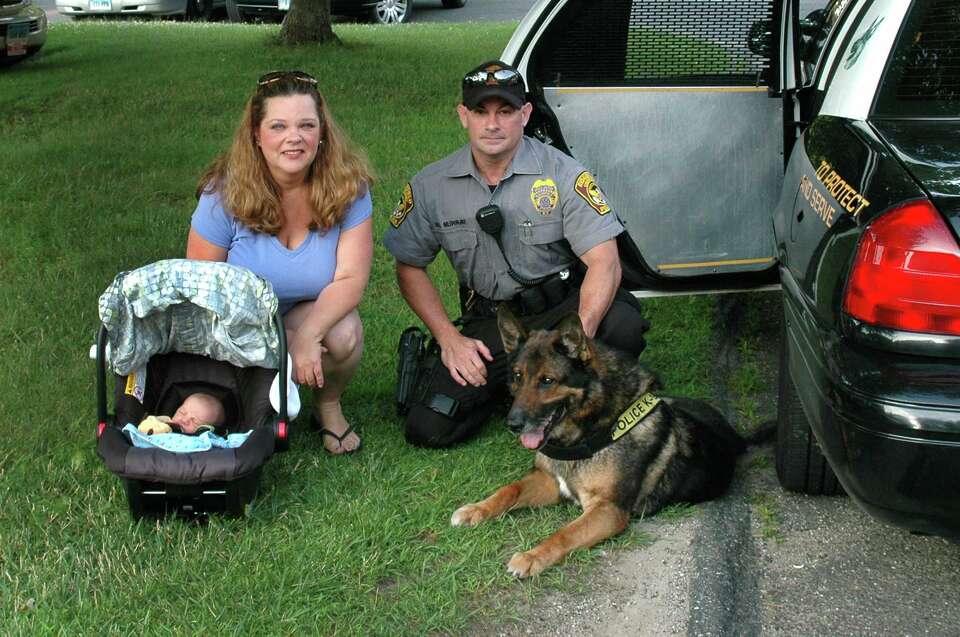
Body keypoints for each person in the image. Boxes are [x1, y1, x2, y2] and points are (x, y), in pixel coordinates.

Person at [383, 60, 650, 448]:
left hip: (562, 309)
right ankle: (514, 386)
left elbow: (604, 261)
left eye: (505, 111)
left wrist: (580, 337)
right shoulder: (431, 187)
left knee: (621, 326)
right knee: (429, 428)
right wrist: (448, 339)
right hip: (495, 321)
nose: (493, 124)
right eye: (480, 112)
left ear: (524, 114)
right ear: (463, 116)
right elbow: (409, 266)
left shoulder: (563, 175)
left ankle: (570, 388)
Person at [186, 70, 374, 455]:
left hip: (301, 318)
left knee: (344, 332)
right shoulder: (222, 194)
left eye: (307, 125)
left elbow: (352, 278)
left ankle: (328, 405)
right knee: (218, 416)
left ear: (322, 132)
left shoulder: (349, 188)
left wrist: (308, 335)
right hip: (235, 330)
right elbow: (200, 291)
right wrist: (266, 345)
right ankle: (252, 394)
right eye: (278, 126)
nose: (295, 138)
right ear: (256, 134)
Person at [139, 392, 226, 435]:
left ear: (207, 429)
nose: (184, 420)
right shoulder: (161, 424)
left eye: (195, 422)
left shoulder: (204, 442)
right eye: (182, 413)